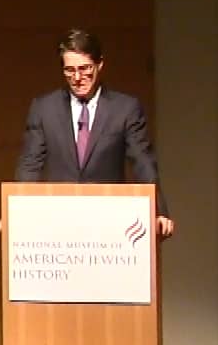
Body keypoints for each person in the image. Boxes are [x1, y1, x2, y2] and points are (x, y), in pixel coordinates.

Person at [16, 29, 173, 239]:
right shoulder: (44, 109)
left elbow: (143, 162)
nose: (78, 77)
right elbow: (30, 164)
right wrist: (15, 215)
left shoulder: (125, 109)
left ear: (100, 64)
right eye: (70, 70)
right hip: (59, 225)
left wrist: (158, 211)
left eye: (85, 68)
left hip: (110, 226)